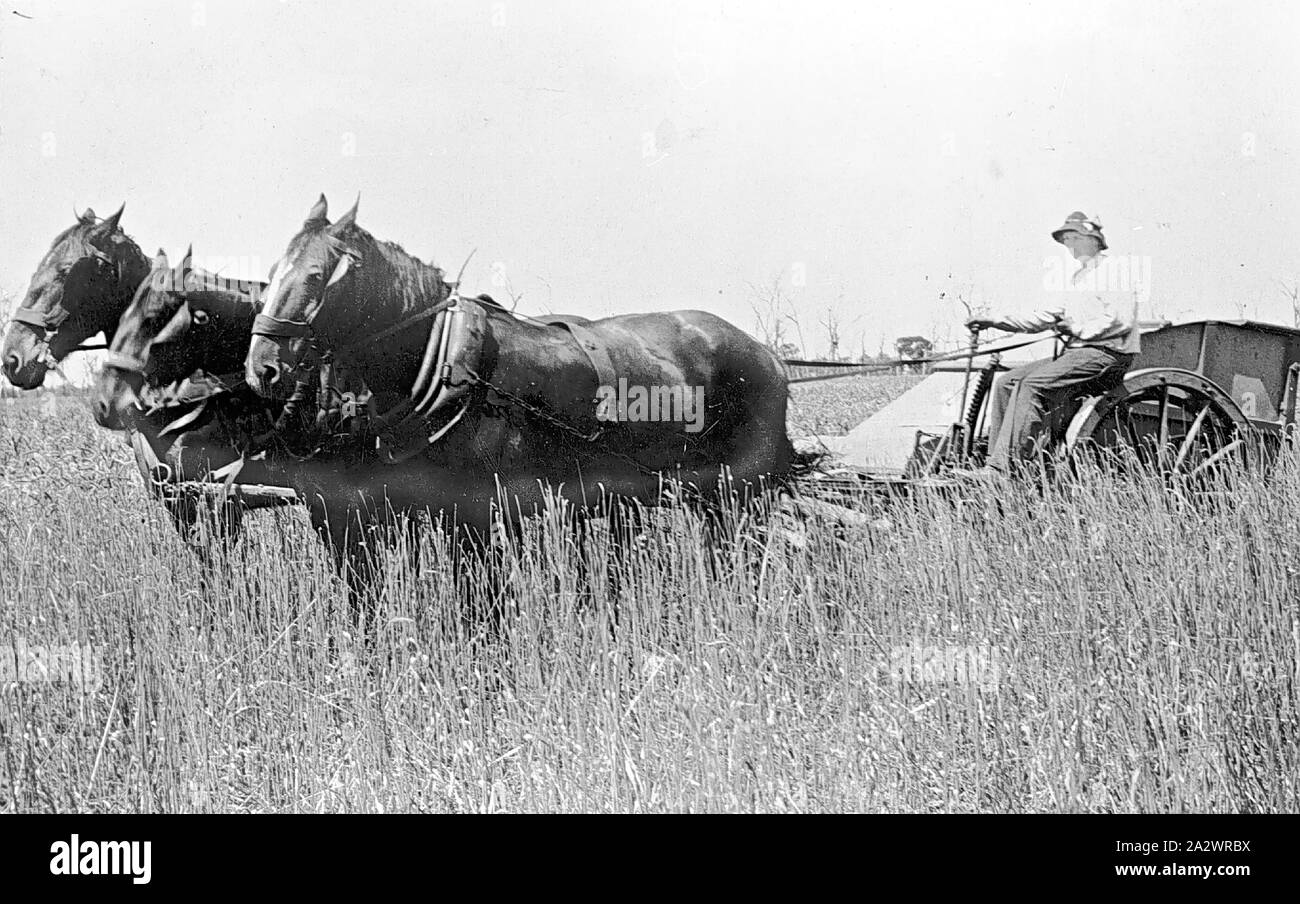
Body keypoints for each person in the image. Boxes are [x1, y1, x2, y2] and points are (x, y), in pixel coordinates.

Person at [964, 211, 1140, 474]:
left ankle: (1004, 468)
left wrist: (1078, 329)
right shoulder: (1078, 278)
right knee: (1006, 383)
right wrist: (994, 320)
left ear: (1094, 238)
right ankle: (994, 460)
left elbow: (1120, 320)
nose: (1070, 245)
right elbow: (1044, 317)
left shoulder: (1114, 271)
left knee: (1032, 384)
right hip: (1079, 355)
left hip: (1108, 355)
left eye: (1075, 238)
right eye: (1066, 240)